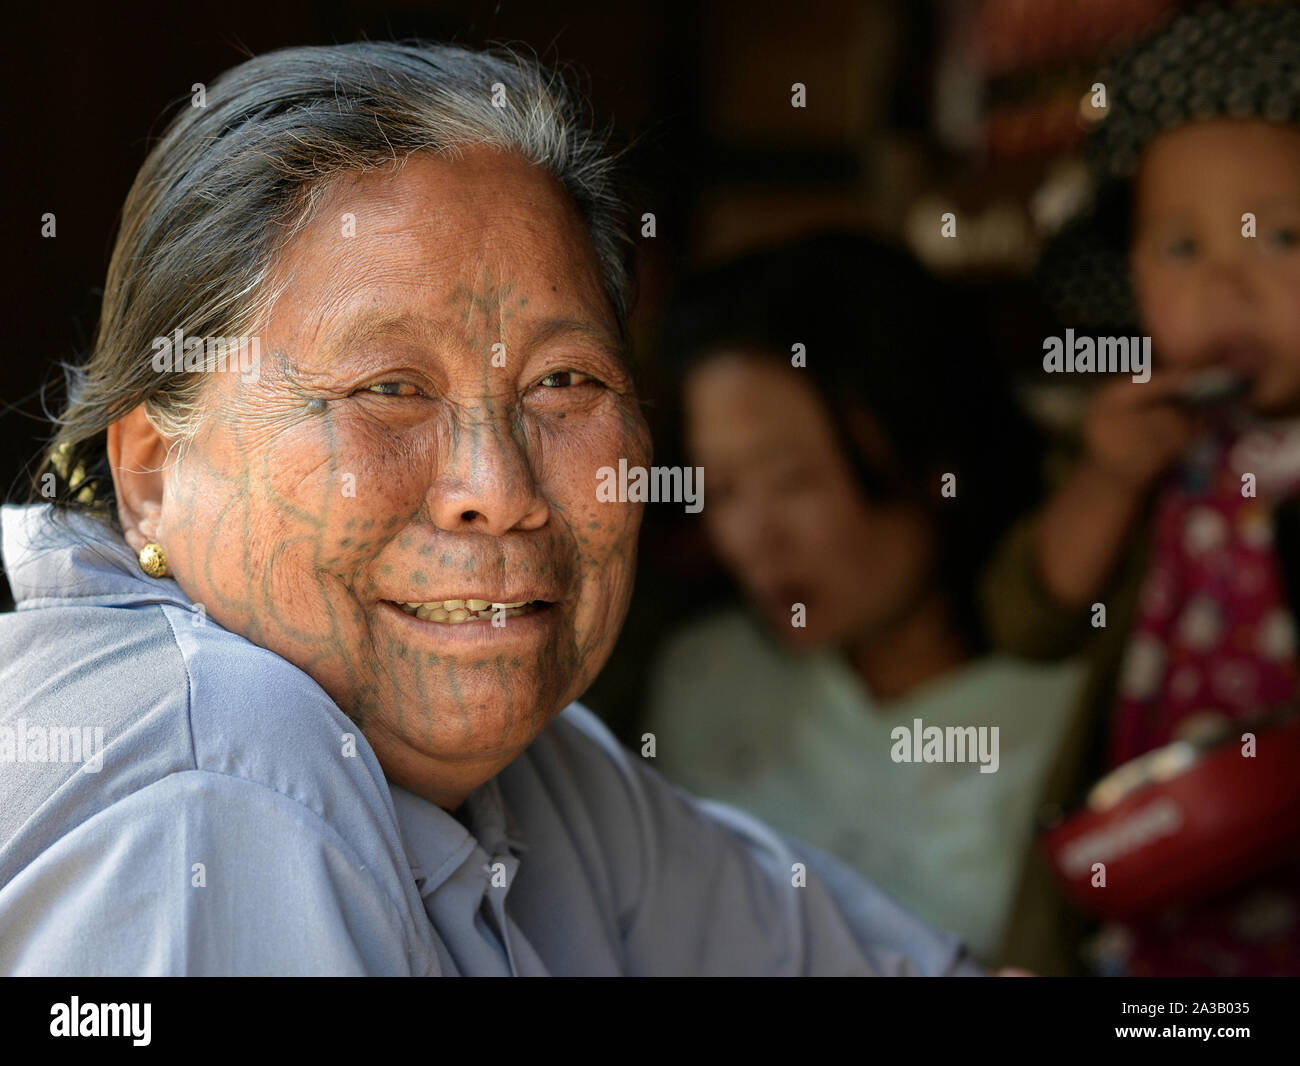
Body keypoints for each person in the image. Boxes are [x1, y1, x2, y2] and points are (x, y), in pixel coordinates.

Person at [0, 41, 983, 977]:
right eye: (386, 388)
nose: (501, 492)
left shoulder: (531, 778)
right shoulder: (223, 770)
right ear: (152, 475)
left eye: (564, 380)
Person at [643, 232, 1085, 971]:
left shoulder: (1072, 707)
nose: (755, 539)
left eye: (795, 482)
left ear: (931, 456)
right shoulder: (703, 677)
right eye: (720, 490)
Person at [985, 2, 1300, 976]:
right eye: (1178, 249)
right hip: (1151, 910)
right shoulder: (1154, 451)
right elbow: (1025, 618)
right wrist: (1108, 477)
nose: (1221, 289)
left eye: (1279, 239)